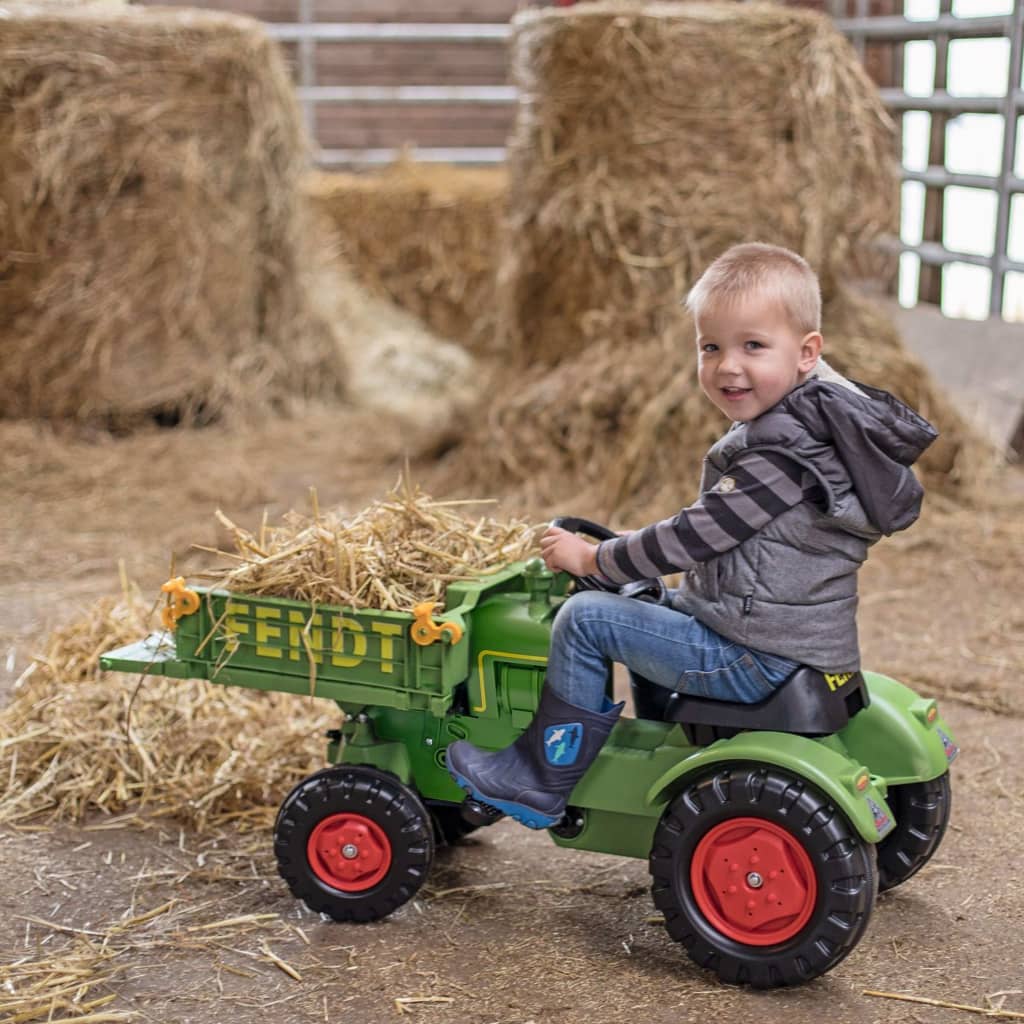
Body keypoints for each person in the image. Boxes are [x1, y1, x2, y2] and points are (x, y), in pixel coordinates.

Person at [446, 242, 938, 830]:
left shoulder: (781, 454)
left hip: (753, 651)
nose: (728, 365)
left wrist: (597, 557)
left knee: (585, 620)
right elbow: (726, 536)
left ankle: (537, 780)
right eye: (711, 347)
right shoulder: (820, 429)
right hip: (785, 634)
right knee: (649, 596)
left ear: (807, 353)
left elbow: (693, 536)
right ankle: (659, 742)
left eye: (753, 346)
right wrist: (630, 555)